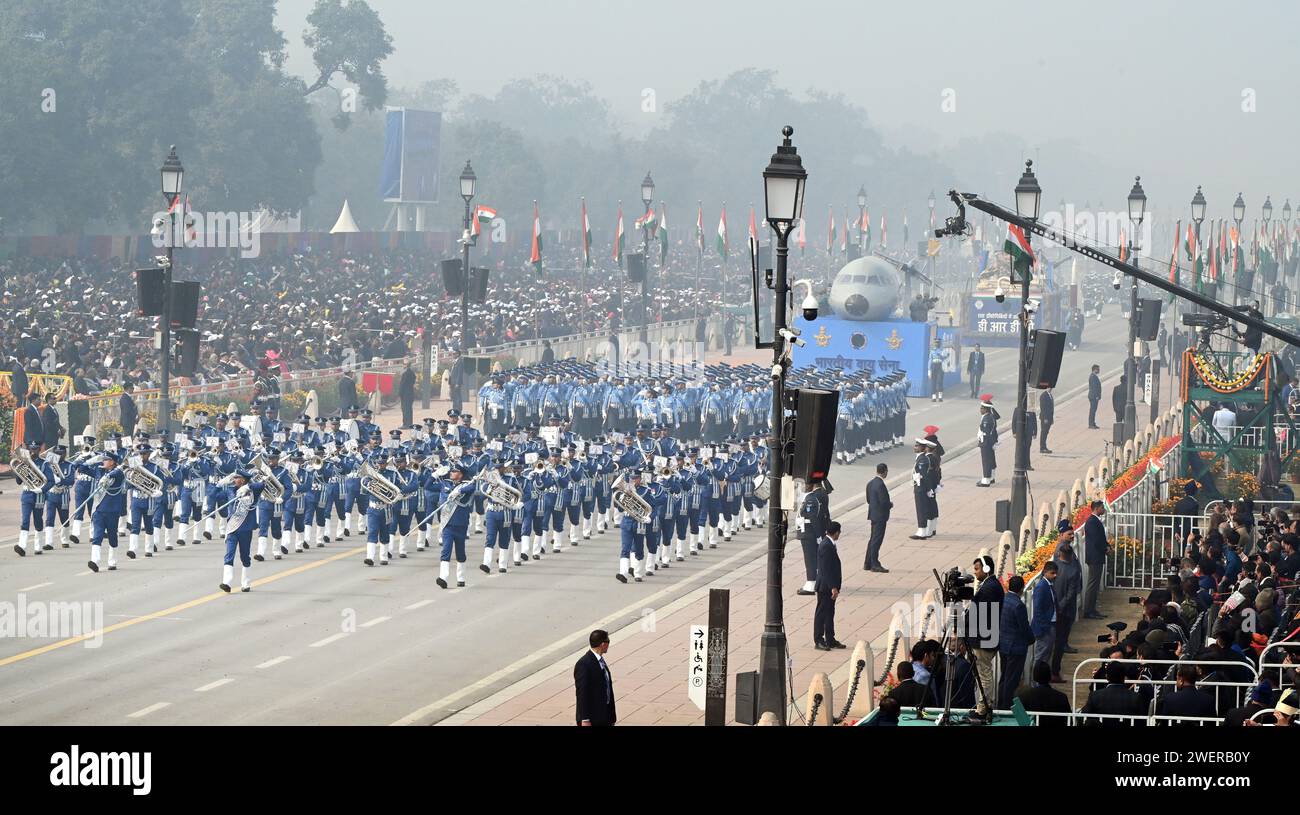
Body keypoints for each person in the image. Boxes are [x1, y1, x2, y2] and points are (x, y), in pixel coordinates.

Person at [967, 554, 1003, 722]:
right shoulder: (990, 585)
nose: (975, 573)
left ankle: (983, 708)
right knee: (982, 674)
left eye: (977, 569)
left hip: (984, 639)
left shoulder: (990, 588)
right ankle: (984, 705)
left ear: (986, 569)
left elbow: (980, 614)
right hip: (984, 638)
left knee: (984, 675)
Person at [1050, 530, 1083, 680]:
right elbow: (1071, 594)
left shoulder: (1054, 567)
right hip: (1064, 610)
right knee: (1059, 643)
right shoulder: (1073, 571)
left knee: (1052, 642)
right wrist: (1061, 607)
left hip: (1054, 608)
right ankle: (1055, 672)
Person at [998, 574, 1033, 708]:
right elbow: (1024, 627)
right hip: (1016, 648)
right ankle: (1006, 707)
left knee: (1004, 677)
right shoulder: (1019, 605)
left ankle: (1001, 704)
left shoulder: (1003, 600)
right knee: (1011, 680)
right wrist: (1031, 639)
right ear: (1022, 589)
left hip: (1004, 646)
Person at [1080, 660, 1145, 726]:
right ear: (1124, 677)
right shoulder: (1135, 697)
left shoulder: (1095, 696)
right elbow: (1143, 721)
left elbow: (1083, 717)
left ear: (1107, 677)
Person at [574, 629, 616, 726]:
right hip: (593, 719)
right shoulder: (584, 664)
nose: (609, 644)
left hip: (605, 716)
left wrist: (611, 717)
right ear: (602, 644)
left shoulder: (601, 661)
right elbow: (582, 694)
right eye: (608, 641)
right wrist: (585, 719)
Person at [813, 521, 844, 651]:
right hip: (825, 587)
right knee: (821, 613)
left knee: (830, 613)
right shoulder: (826, 546)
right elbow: (825, 570)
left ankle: (830, 638)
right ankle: (819, 639)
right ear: (836, 532)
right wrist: (833, 587)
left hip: (830, 586)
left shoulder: (829, 543)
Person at [797, 478, 831, 594]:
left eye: (804, 484)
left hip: (809, 533)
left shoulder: (811, 499)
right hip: (808, 532)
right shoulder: (810, 497)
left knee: (810, 559)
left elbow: (814, 519)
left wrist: (818, 535)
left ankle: (811, 583)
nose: (802, 486)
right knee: (811, 558)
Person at [1015, 661, 1071, 726]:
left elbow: (1018, 720)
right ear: (1050, 676)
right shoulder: (1062, 698)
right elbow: (1069, 721)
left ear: (1034, 676)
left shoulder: (1023, 696)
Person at [1030, 560, 1058, 674]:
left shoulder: (1048, 585)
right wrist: (1043, 628)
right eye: (1052, 573)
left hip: (1050, 624)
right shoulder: (1041, 587)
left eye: (1056, 573)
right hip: (1045, 627)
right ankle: (1037, 680)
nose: (1055, 575)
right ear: (1045, 572)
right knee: (1040, 655)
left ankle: (1042, 678)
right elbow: (1038, 610)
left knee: (1047, 654)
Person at [1082, 500, 1109, 619]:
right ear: (1097, 508)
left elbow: (1101, 538)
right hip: (1094, 558)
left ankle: (1092, 608)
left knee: (1095, 583)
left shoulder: (1095, 521)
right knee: (1092, 584)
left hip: (1097, 557)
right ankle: (1088, 610)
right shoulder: (1092, 522)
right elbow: (1096, 541)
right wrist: (1105, 549)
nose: (1104, 509)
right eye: (1102, 507)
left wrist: (1108, 546)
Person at [864, 462, 892, 572]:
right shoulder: (880, 485)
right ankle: (874, 563)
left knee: (872, 539)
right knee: (876, 540)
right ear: (885, 472)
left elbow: (868, 500)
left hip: (873, 514)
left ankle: (868, 562)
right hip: (880, 516)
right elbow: (884, 502)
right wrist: (890, 505)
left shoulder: (870, 483)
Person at [909, 438, 937, 539]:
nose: (915, 447)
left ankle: (922, 531)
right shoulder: (921, 458)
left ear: (923, 448)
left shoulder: (922, 459)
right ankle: (922, 530)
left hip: (921, 488)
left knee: (921, 509)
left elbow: (925, 476)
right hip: (920, 486)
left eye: (917, 446)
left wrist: (929, 489)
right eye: (915, 445)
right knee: (921, 509)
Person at [976, 395, 998, 487]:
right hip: (990, 442)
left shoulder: (986, 419)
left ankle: (986, 480)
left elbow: (987, 433)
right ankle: (992, 477)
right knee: (991, 460)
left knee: (986, 461)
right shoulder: (990, 416)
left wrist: (991, 443)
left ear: (986, 409)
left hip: (986, 443)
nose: (980, 409)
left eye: (982, 408)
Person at [398, 363, 416, 428]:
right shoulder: (412, 373)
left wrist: (399, 393)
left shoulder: (405, 374)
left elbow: (402, 385)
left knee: (405, 410)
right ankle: (409, 423)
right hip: (410, 393)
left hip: (405, 394)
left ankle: (406, 424)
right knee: (409, 410)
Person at [1038, 387, 1054, 454]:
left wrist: (1051, 418)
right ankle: (1042, 447)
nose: (1050, 388)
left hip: (1049, 417)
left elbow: (1051, 408)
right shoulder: (1043, 396)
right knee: (1044, 432)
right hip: (1045, 418)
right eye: (1049, 387)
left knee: (1046, 432)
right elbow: (1043, 408)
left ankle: (1044, 446)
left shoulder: (1050, 395)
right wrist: (1045, 418)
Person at [1087, 364, 1102, 429]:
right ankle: (1091, 424)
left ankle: (1093, 423)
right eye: (1098, 369)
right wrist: (1096, 396)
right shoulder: (1093, 377)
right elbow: (1094, 388)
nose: (1099, 370)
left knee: (1093, 410)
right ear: (1094, 369)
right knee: (1092, 410)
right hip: (1093, 396)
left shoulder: (1094, 376)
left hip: (1094, 396)